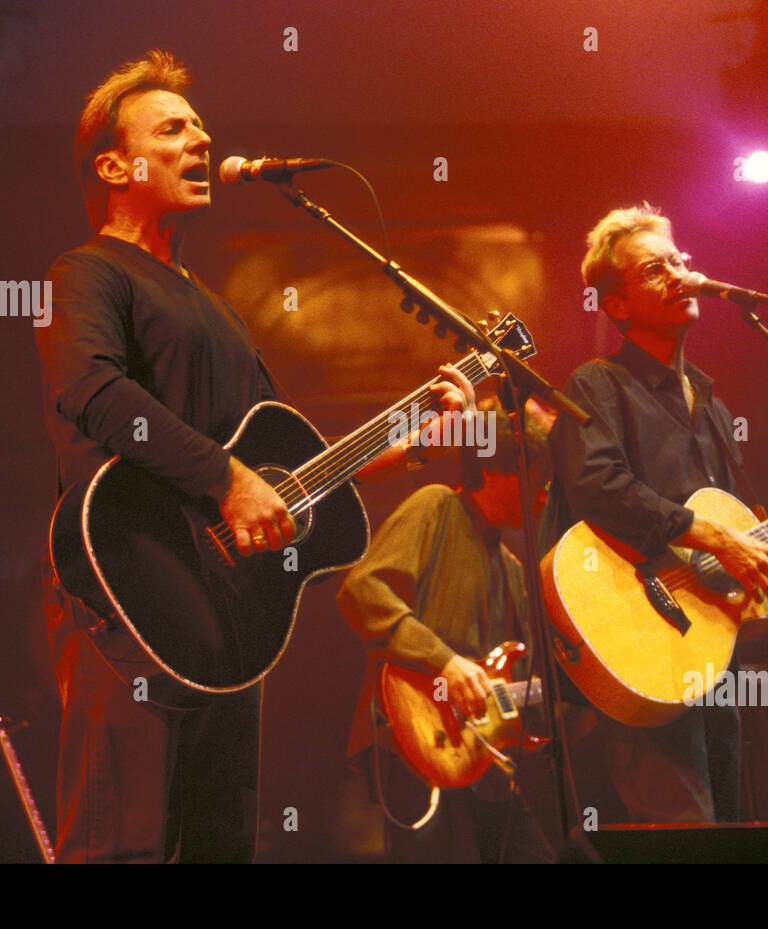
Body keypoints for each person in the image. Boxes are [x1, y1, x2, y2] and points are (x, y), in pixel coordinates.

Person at [34, 50, 473, 863]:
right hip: (129, 585)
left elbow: (283, 471)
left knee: (220, 846)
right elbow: (93, 394)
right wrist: (226, 479)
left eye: (201, 127)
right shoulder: (87, 273)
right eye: (172, 129)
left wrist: (404, 449)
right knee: (116, 845)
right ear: (113, 164)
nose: (201, 140)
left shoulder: (217, 309)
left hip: (225, 616)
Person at [544, 203, 768, 823]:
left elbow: (749, 542)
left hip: (707, 653)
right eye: (654, 270)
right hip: (636, 644)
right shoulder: (597, 384)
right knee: (688, 835)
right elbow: (597, 484)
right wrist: (712, 537)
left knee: (732, 830)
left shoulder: (712, 406)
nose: (678, 274)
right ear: (615, 306)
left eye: (679, 260)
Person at [337, 396, 558, 862]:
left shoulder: (515, 570)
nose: (544, 497)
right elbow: (362, 589)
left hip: (484, 759)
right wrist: (447, 662)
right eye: (538, 482)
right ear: (497, 471)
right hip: (416, 739)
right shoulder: (435, 505)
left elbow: (527, 683)